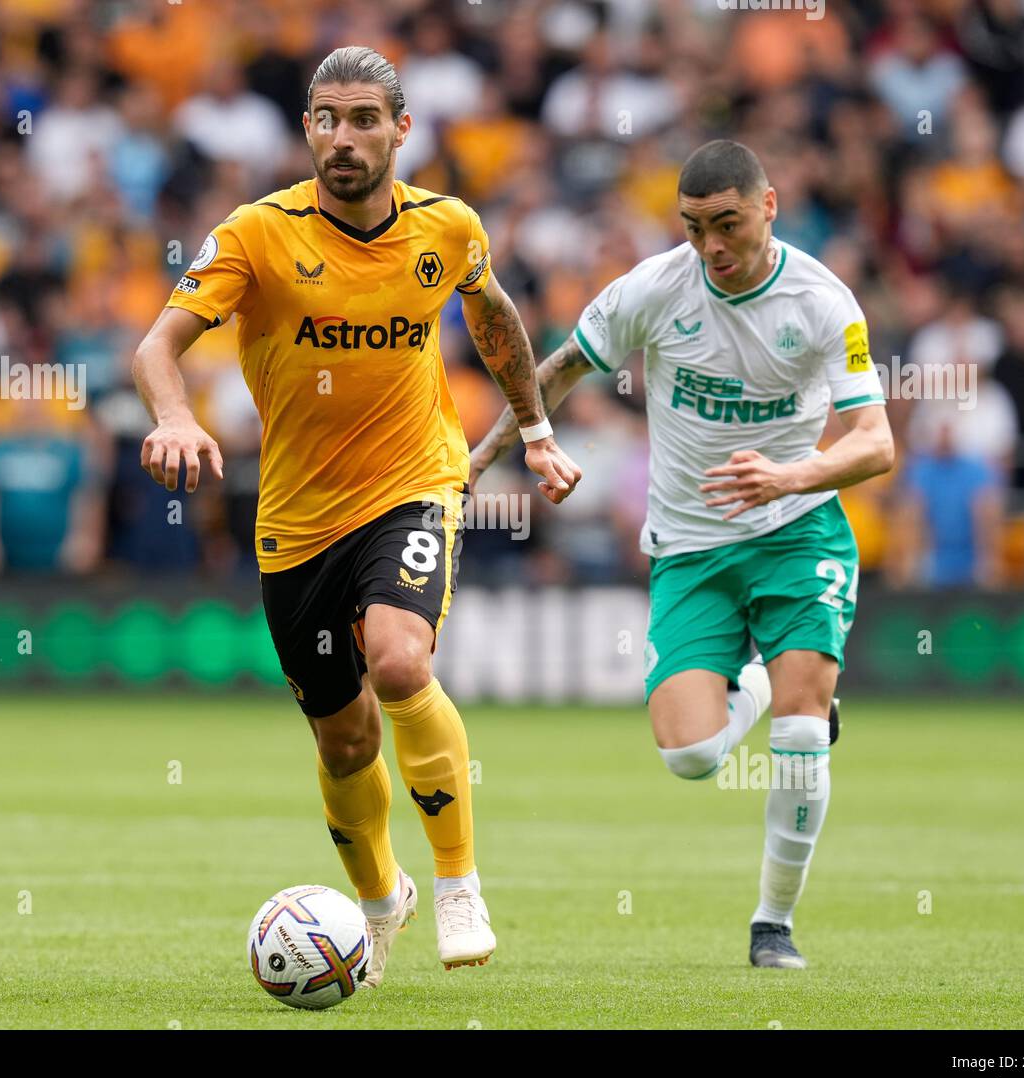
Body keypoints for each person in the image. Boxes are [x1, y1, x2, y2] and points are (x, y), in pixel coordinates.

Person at [131, 47, 580, 988]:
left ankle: (458, 881)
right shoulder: (257, 234)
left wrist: (534, 429)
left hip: (414, 481)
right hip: (297, 519)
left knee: (401, 659)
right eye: (326, 118)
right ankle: (381, 900)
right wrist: (174, 414)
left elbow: (493, 318)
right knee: (346, 741)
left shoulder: (447, 228)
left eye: (364, 119)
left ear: (401, 130)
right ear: (306, 129)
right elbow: (157, 345)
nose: (344, 137)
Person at [471, 140, 894, 969]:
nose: (711, 246)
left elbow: (875, 444)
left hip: (796, 529)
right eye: (695, 228)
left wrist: (791, 475)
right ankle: (767, 678)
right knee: (693, 756)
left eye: (728, 224)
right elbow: (556, 369)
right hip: (690, 547)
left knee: (803, 735)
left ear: (769, 207)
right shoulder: (655, 288)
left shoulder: (823, 302)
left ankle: (772, 925)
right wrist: (495, 450)